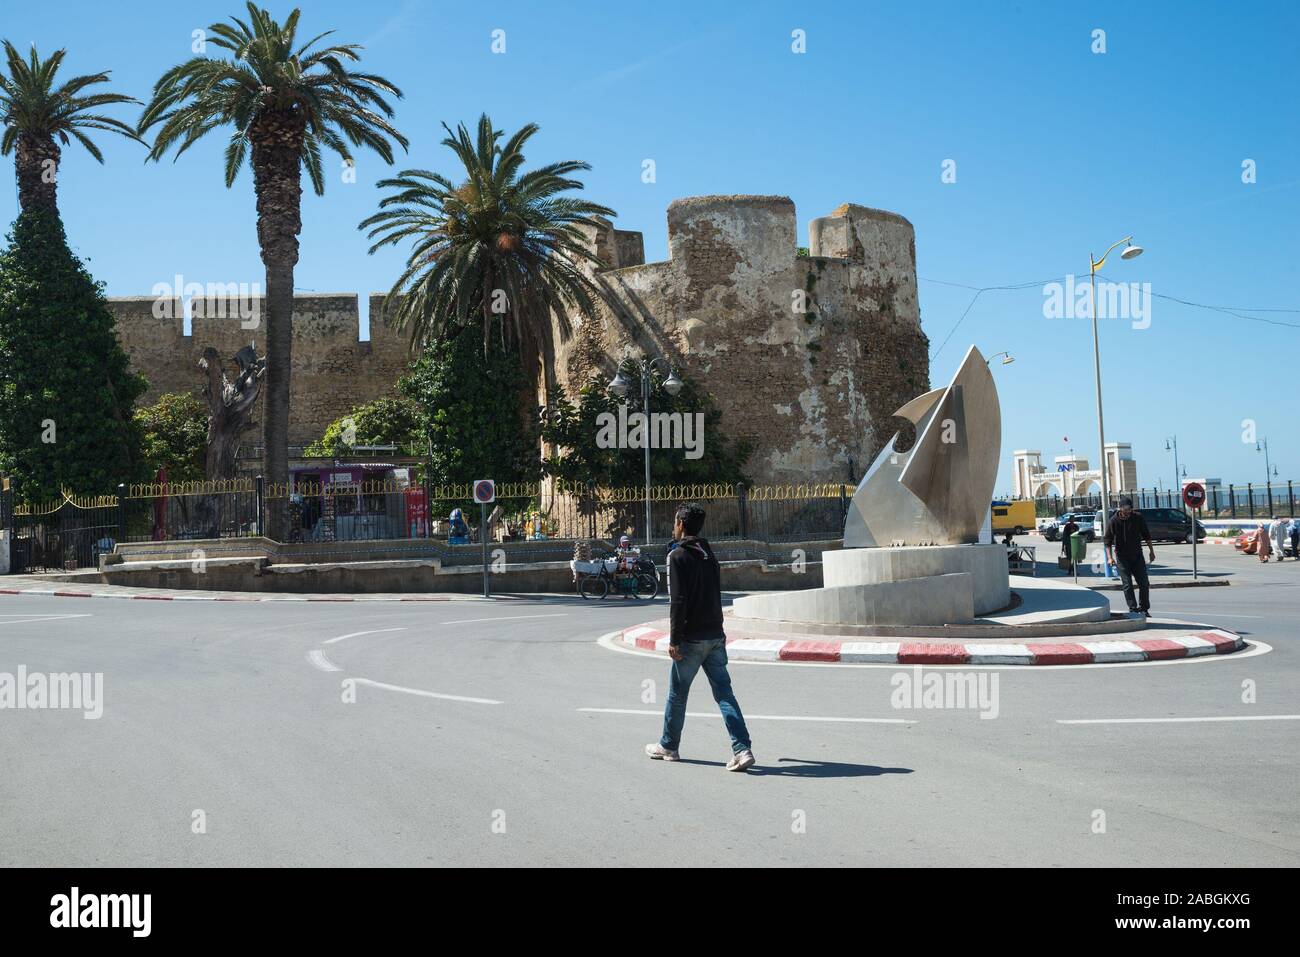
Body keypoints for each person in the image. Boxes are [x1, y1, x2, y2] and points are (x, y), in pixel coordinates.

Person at [646, 502, 755, 772]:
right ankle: (742, 749)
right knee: (725, 695)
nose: (673, 526)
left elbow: (677, 601)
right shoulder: (709, 553)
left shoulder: (677, 556)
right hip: (715, 636)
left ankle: (669, 746)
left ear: (681, 525)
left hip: (691, 639)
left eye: (675, 521)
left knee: (678, 694)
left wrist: (674, 640)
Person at [1103, 497, 1155, 616]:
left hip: (1137, 555)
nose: (1128, 511)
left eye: (1130, 509)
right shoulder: (1114, 521)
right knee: (1127, 584)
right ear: (1120, 508)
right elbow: (1107, 541)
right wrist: (1109, 557)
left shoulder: (1138, 518)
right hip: (1122, 557)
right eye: (1126, 508)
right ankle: (1133, 608)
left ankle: (1144, 608)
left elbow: (1146, 535)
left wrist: (1151, 551)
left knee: (1144, 583)